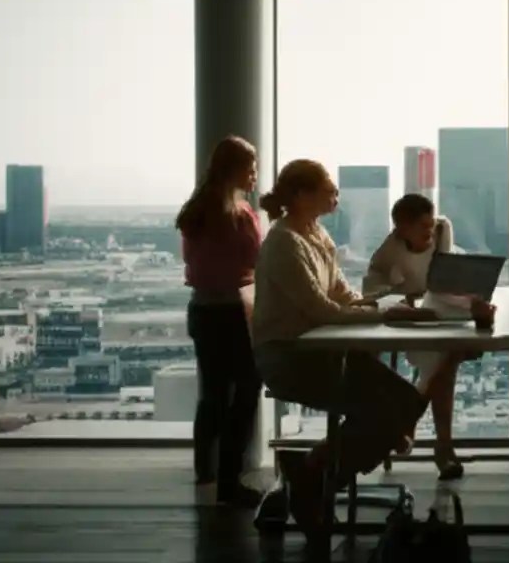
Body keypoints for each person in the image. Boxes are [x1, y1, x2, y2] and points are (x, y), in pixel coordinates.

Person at [250, 160, 457, 530]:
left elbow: (342, 294)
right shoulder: (284, 243)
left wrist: (380, 304)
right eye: (328, 188)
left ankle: (312, 469)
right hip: (293, 358)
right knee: (387, 416)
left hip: (326, 351)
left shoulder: (315, 233)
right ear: (301, 196)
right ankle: (316, 476)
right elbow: (323, 310)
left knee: (407, 404)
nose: (336, 194)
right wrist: (384, 316)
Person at [176, 135, 264, 508]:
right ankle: (231, 481)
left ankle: (205, 470)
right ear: (237, 170)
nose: (256, 175)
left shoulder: (194, 211)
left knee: (212, 394)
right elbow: (258, 260)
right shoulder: (241, 215)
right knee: (245, 393)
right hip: (234, 310)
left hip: (201, 310)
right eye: (252, 168)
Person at [362, 193, 470, 480]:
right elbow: (372, 287)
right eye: (422, 227)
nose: (429, 233)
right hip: (418, 322)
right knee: (447, 360)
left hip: (447, 311)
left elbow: (446, 277)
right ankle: (443, 448)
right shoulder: (390, 251)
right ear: (401, 229)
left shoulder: (442, 231)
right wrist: (401, 295)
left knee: (446, 353)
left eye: (430, 224)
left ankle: (409, 420)